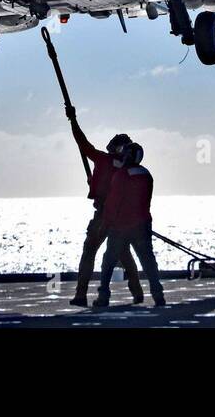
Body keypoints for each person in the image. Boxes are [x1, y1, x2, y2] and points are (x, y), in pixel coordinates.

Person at [67, 108, 142, 307]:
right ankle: (137, 291)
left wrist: (73, 120)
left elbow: (82, 143)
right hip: (122, 218)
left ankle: (81, 294)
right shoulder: (128, 169)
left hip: (103, 215)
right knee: (123, 253)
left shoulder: (102, 159)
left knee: (89, 250)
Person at [94, 142, 166, 308]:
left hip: (120, 227)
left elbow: (113, 203)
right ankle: (158, 295)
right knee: (148, 261)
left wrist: (105, 223)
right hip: (142, 225)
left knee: (108, 261)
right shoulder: (147, 175)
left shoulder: (121, 175)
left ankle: (103, 296)